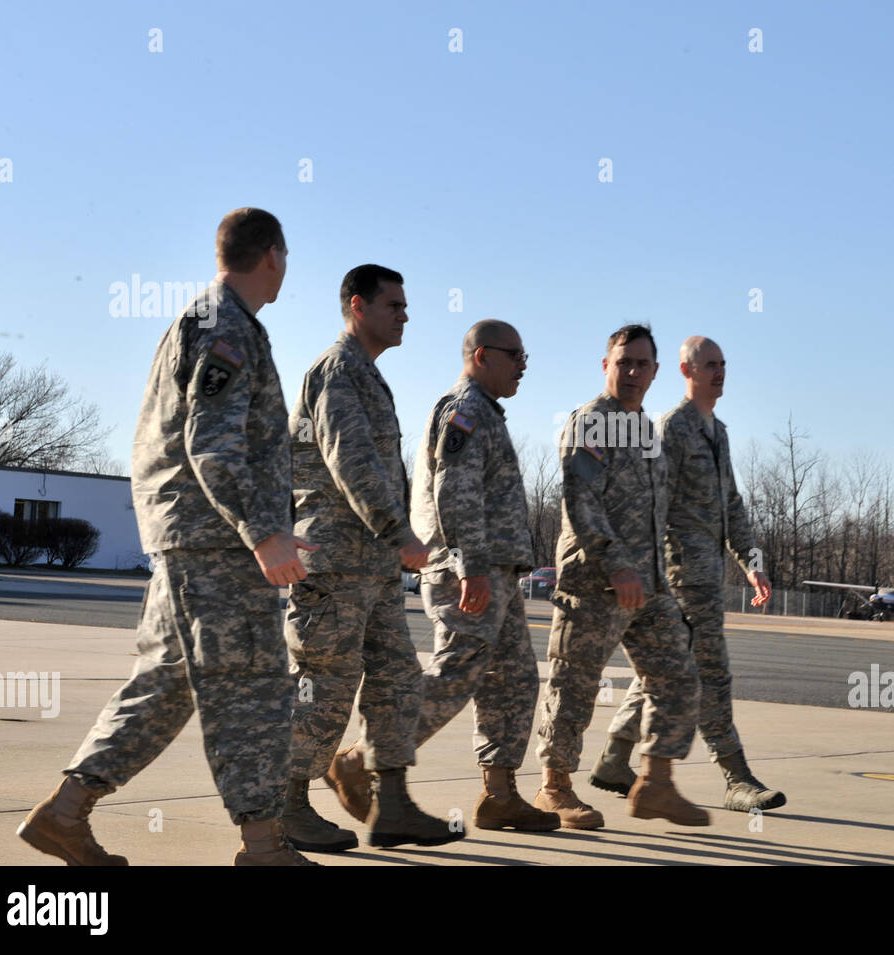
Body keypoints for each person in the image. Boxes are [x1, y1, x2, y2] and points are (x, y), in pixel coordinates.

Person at [17, 208, 319, 866]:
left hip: (195, 536)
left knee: (166, 681)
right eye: (286, 257)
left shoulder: (212, 319)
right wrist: (264, 531)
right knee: (253, 684)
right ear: (271, 255)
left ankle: (65, 813)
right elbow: (211, 442)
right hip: (215, 543)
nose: (286, 270)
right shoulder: (226, 326)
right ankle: (264, 845)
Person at [324, 320, 559, 833]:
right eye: (515, 354)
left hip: (494, 572)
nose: (523, 364)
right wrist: (469, 565)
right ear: (481, 355)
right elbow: (454, 491)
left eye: (526, 355)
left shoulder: (487, 413)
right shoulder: (465, 410)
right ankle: (360, 758)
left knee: (512, 679)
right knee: (456, 674)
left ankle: (499, 794)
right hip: (467, 571)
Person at [283, 264, 461, 851]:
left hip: (374, 570)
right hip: (336, 563)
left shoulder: (366, 375)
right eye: (394, 305)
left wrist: (393, 546)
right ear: (358, 306)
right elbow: (350, 460)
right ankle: (283, 807)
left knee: (397, 683)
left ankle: (394, 807)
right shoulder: (338, 372)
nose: (405, 315)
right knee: (324, 687)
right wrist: (400, 532)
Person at [589, 336, 783, 812]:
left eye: (723, 364)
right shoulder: (672, 429)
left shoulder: (717, 430)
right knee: (711, 675)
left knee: (665, 672)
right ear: (684, 370)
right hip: (681, 576)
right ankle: (736, 778)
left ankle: (615, 758)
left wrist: (752, 564)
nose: (718, 372)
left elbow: (732, 505)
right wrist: (647, 569)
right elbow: (652, 503)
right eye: (709, 365)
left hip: (706, 573)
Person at [534, 324, 708, 828]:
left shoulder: (647, 433)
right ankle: (555, 786)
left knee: (677, 675)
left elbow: (657, 512)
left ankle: (655, 784)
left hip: (648, 587)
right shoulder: (591, 422)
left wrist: (662, 573)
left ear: (656, 372)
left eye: (642, 363)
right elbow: (580, 500)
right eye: (623, 361)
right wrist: (617, 563)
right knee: (574, 685)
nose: (632, 371)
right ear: (605, 365)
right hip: (594, 581)